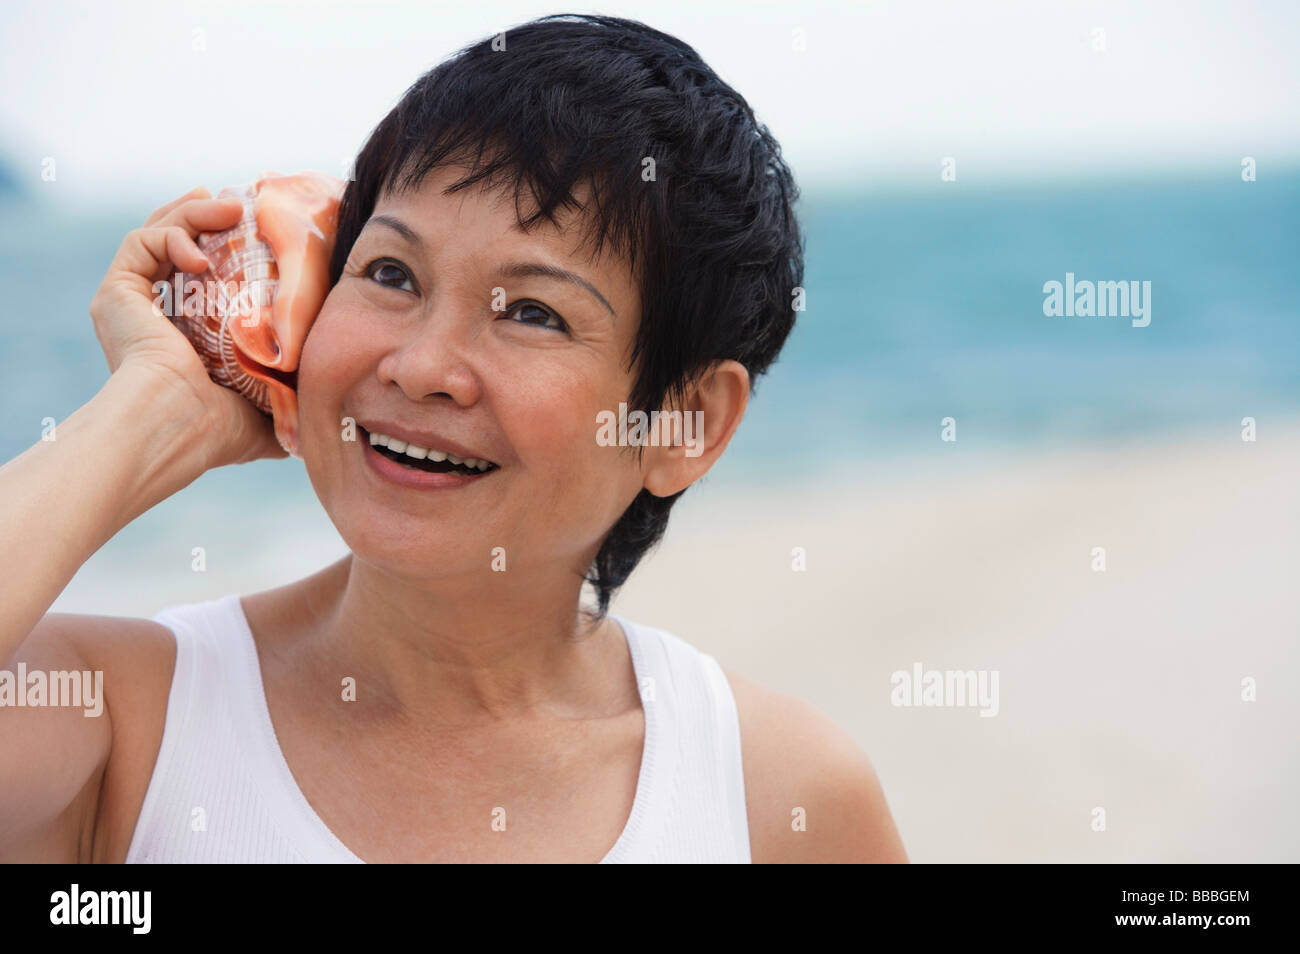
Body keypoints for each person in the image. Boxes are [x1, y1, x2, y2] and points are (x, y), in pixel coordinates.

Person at [0, 14, 906, 863]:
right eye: (390, 272)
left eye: (535, 313)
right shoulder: (121, 721)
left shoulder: (777, 799)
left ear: (684, 423)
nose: (422, 365)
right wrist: (153, 410)